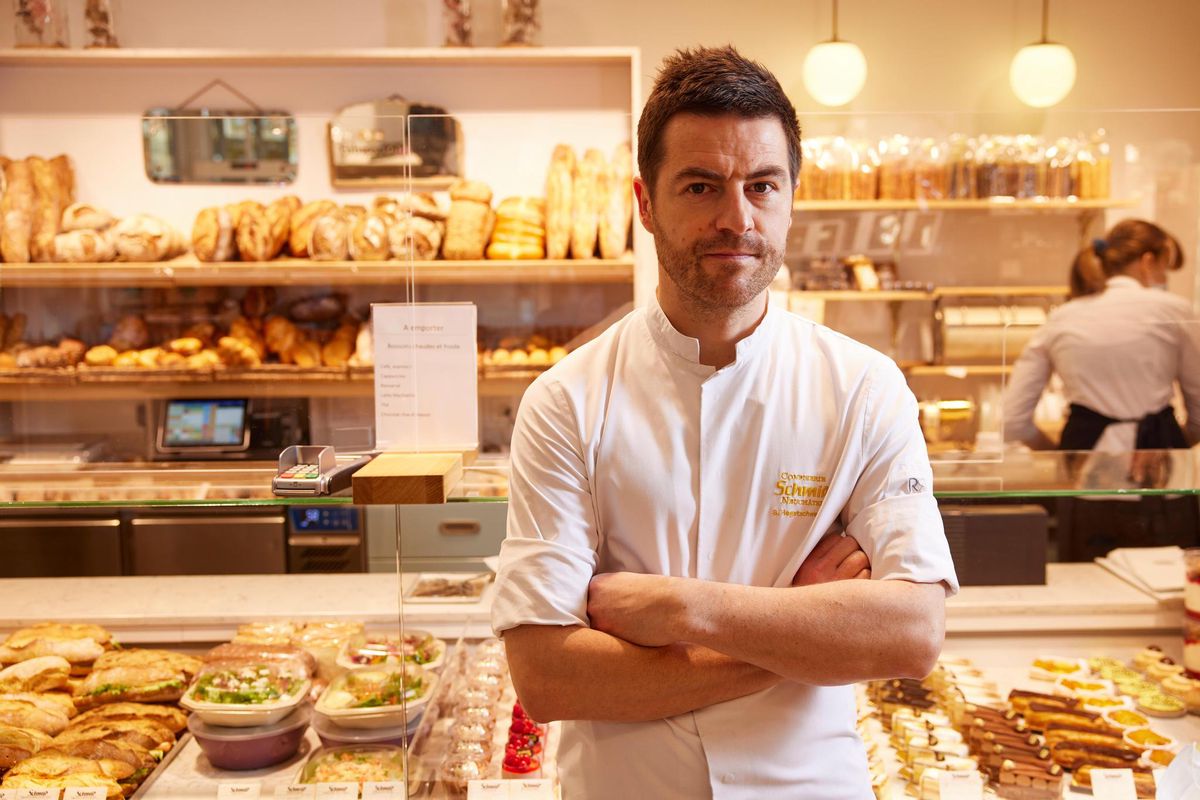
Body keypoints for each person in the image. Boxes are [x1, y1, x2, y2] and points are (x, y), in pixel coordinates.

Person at [492, 46, 957, 798]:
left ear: (792, 198)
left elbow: (911, 634)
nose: (736, 219)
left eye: (762, 186)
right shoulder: (566, 399)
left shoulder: (864, 389)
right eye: (701, 186)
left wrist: (684, 608)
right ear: (645, 204)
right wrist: (805, 626)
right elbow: (548, 678)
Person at [1004, 219, 1200, 453]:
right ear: (1148, 262)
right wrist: (1176, 448)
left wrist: (1057, 455)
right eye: (1164, 269)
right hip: (1160, 463)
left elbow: (1013, 423)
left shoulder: (1060, 319)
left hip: (1083, 463)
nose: (1165, 279)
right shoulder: (1175, 311)